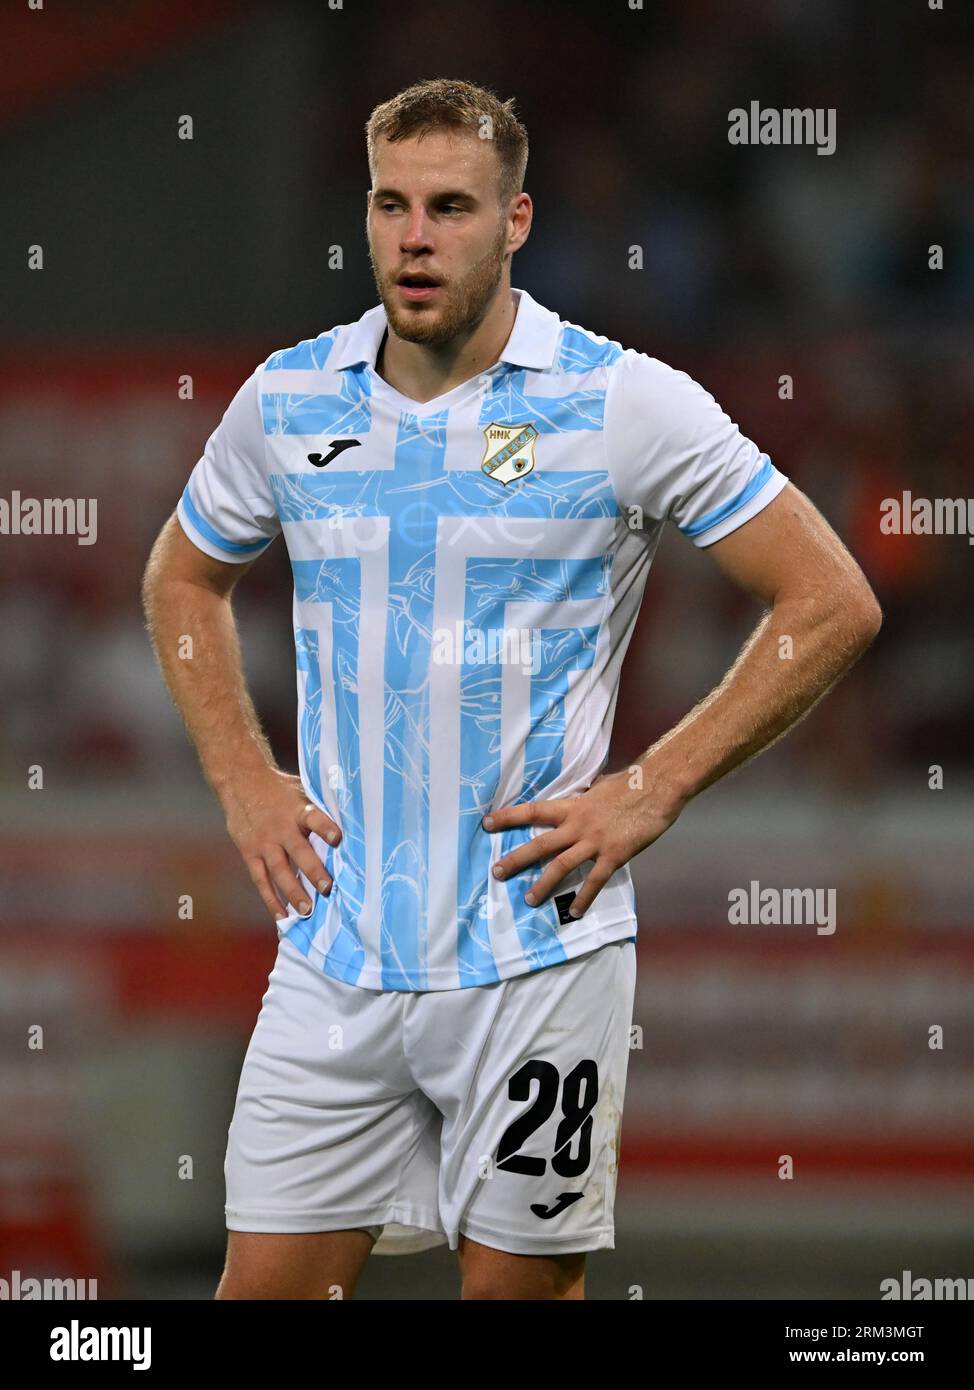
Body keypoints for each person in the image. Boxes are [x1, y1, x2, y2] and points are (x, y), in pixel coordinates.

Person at [142, 77, 881, 1300]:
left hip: (535, 955)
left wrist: (652, 787)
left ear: (516, 222)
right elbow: (181, 581)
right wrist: (242, 780)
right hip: (336, 952)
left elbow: (829, 599)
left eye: (449, 207)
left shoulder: (621, 402)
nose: (414, 236)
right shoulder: (289, 398)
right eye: (390, 204)